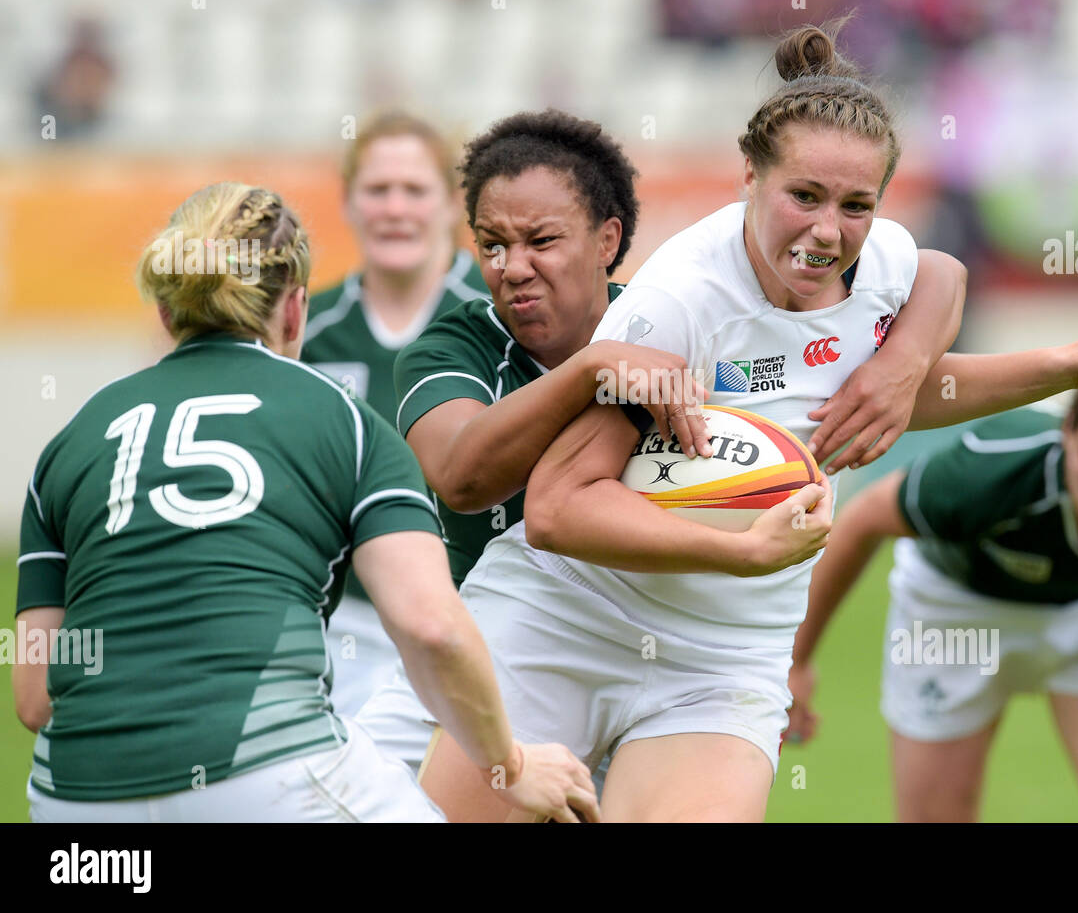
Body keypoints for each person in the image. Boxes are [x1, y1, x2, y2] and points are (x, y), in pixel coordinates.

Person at [414, 23, 1078, 822]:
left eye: (856, 204)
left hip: (724, 657)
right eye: (804, 196)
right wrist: (743, 547)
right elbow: (556, 508)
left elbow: (918, 339)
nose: (828, 231)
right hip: (563, 621)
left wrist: (1074, 362)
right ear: (750, 178)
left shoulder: (889, 266)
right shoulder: (680, 300)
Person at [356, 103, 972, 797]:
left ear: (606, 239)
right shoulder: (457, 346)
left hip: (676, 660)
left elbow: (939, 274)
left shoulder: (666, 321)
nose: (512, 267)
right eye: (492, 244)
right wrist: (594, 369)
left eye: (541, 241)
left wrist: (907, 360)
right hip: (490, 643)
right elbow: (464, 478)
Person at [13, 183, 597, 823]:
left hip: (75, 800)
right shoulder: (342, 420)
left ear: (165, 311)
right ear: (295, 311)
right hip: (266, 774)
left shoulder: (70, 442)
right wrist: (508, 767)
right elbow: (431, 627)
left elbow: (35, 695)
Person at [788, 366, 1078, 822]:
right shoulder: (997, 463)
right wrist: (797, 662)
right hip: (957, 606)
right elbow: (864, 519)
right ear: (1069, 429)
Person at [301, 110, 489, 715]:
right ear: (349, 203)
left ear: (451, 203)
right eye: (377, 190)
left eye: (415, 190)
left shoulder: (503, 314)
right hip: (348, 627)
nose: (395, 208)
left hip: (481, 615)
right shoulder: (304, 327)